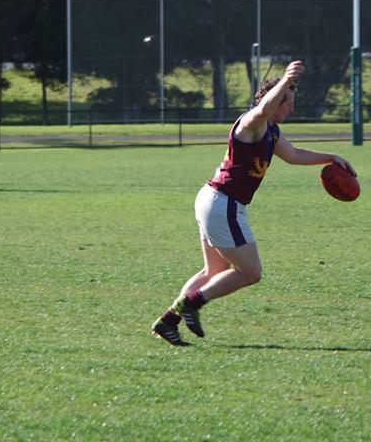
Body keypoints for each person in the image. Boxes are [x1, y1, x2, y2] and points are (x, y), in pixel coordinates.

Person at [150, 60, 355, 346]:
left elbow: (294, 155)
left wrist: (331, 157)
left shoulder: (272, 130)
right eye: (287, 103)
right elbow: (261, 110)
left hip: (215, 200)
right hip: (224, 204)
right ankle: (190, 306)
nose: (291, 109)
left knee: (214, 272)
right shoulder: (253, 123)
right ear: (275, 101)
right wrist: (284, 81)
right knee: (250, 272)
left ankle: (168, 321)